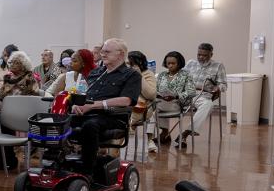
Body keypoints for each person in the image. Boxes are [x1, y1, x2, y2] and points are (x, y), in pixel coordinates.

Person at [69, 38, 142, 178]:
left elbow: (126, 100)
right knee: (58, 120)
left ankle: (87, 172)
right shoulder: (95, 72)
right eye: (102, 51)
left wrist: (94, 105)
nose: (102, 54)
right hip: (87, 114)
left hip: (113, 117)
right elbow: (84, 95)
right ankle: (60, 163)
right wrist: (76, 105)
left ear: (121, 54)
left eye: (107, 52)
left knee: (90, 125)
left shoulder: (132, 75)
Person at [182, 42, 227, 141]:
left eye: (204, 55)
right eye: (199, 54)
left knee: (208, 104)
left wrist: (218, 88)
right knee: (161, 102)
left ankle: (187, 132)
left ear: (211, 55)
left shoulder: (218, 66)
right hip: (186, 93)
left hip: (202, 95)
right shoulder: (191, 63)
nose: (201, 57)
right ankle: (163, 133)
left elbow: (223, 84)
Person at [154, 51, 196, 147]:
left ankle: (155, 137)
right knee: (154, 104)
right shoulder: (161, 75)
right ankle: (164, 132)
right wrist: (158, 95)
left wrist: (176, 96)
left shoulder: (186, 75)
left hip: (177, 103)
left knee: (152, 107)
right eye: (168, 63)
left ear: (179, 63)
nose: (170, 65)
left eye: (173, 63)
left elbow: (192, 92)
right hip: (161, 102)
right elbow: (155, 90)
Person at [126, 50, 157, 153]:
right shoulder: (124, 74)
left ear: (139, 63)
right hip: (125, 105)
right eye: (127, 64)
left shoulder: (148, 74)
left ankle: (130, 127)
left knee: (146, 108)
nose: (129, 66)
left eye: (131, 64)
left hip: (142, 108)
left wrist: (139, 75)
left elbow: (151, 94)